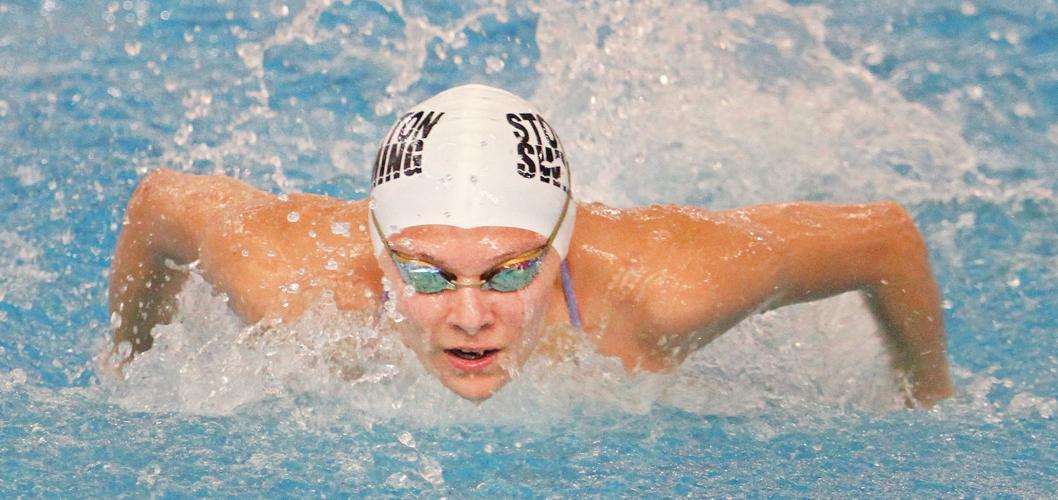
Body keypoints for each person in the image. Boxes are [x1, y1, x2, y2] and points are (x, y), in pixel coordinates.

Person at [107, 84, 954, 406]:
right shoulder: (294, 279)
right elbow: (160, 203)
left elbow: (885, 238)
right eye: (427, 273)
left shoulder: (666, 291)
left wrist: (928, 404)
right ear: (379, 251)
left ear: (562, 245)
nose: (468, 316)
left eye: (510, 270)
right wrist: (130, 357)